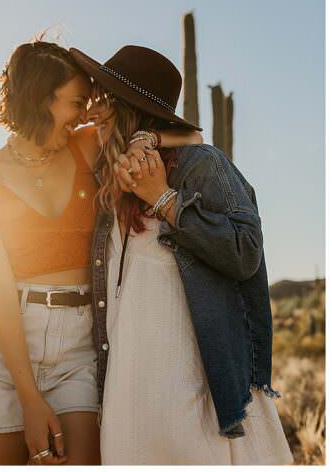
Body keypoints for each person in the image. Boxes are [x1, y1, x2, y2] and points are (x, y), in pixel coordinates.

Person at [0, 40, 202, 465]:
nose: (84, 114)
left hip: (77, 354)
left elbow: (193, 136)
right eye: (76, 102)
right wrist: (29, 398)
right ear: (39, 98)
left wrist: (146, 136)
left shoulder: (86, 147)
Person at [69, 44, 293, 464]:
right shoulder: (109, 176)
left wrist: (165, 199)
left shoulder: (200, 164)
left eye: (104, 96)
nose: (94, 107)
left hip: (192, 384)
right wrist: (146, 140)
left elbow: (246, 250)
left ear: (129, 106)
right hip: (125, 388)